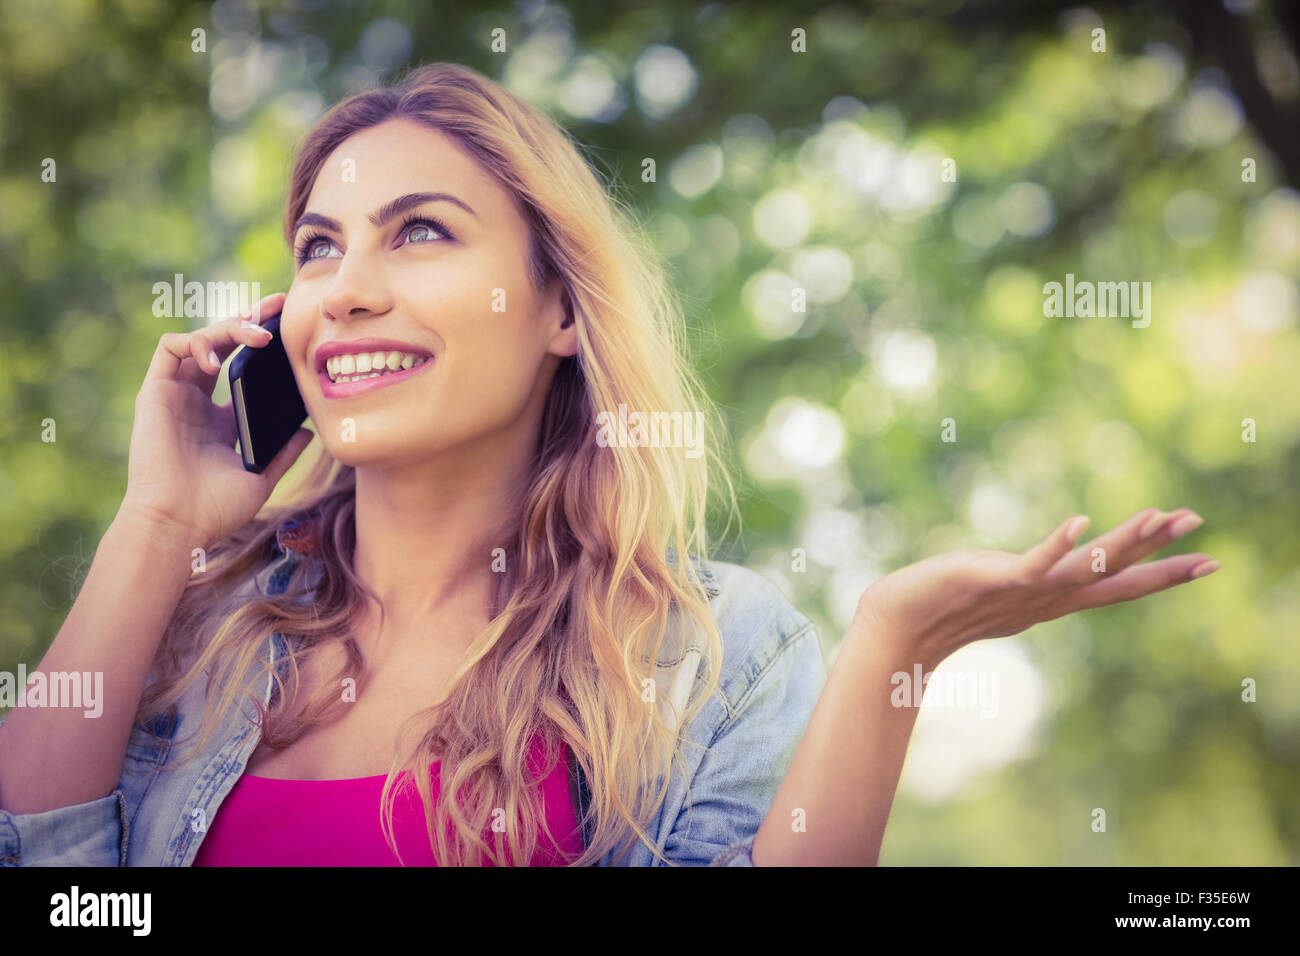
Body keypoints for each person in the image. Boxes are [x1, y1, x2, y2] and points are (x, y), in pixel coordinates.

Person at [0, 62, 1218, 867]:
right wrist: (156, 523)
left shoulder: (710, 653)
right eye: (318, 247)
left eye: (420, 232)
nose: (347, 291)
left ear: (557, 312)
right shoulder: (191, 624)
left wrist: (890, 651)